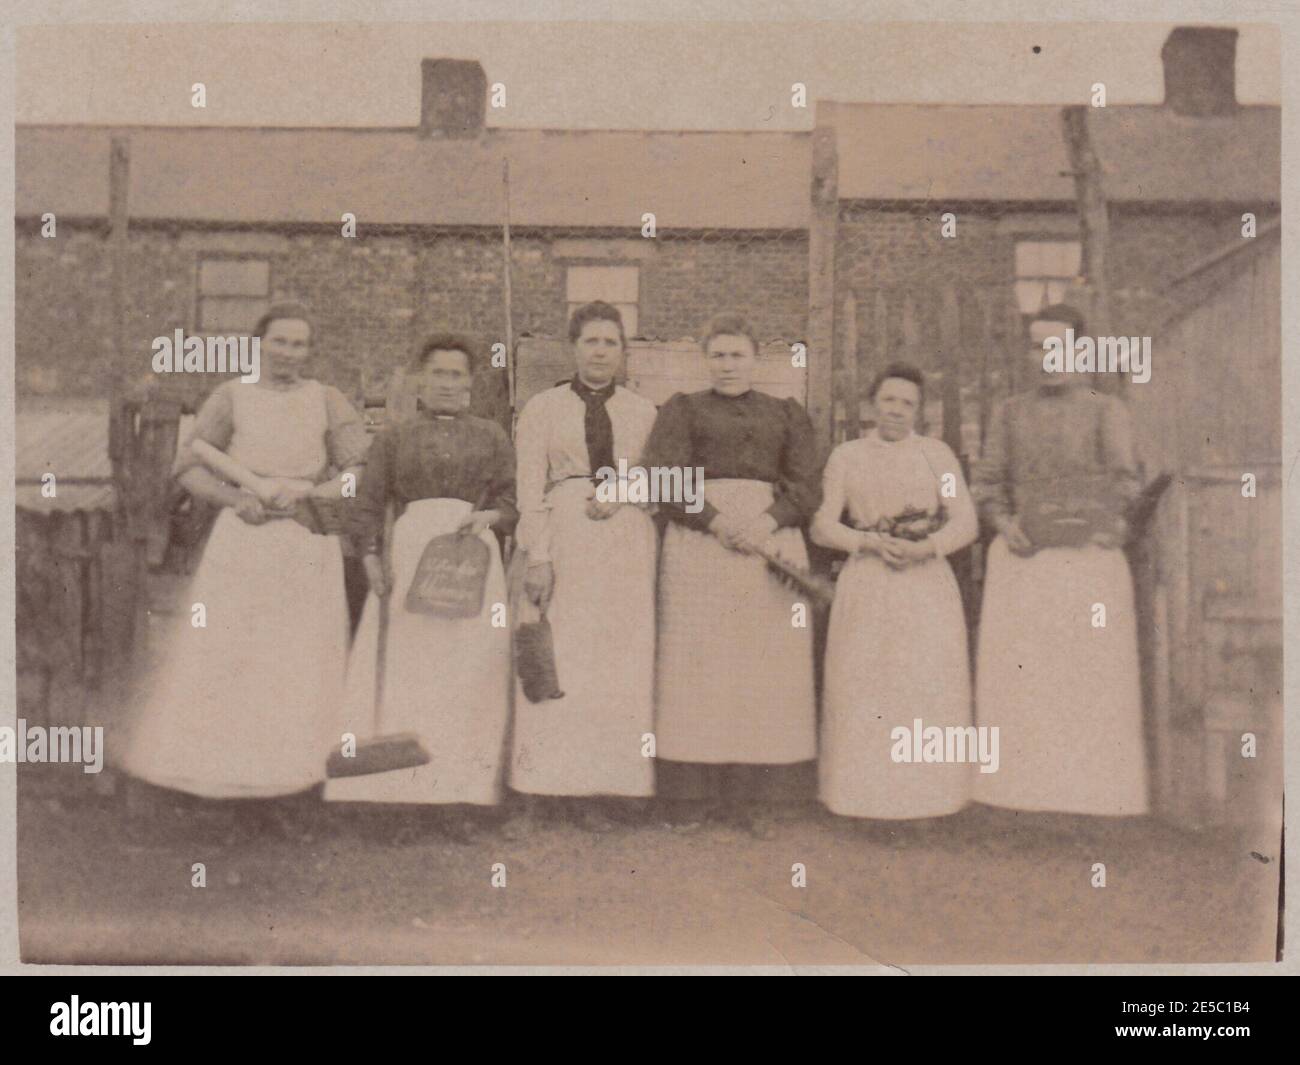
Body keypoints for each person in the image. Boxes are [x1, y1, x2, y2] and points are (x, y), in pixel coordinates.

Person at [121, 302, 367, 838]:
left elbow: (356, 472)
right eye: (279, 342)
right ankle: (220, 785)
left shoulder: (328, 400)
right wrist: (237, 499)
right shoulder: (231, 396)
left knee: (297, 659)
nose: (289, 354)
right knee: (232, 656)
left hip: (305, 539)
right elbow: (187, 468)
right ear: (260, 344)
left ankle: (292, 786)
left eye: (300, 344)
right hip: (245, 539)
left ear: (311, 351)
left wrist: (312, 496)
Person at [324, 335, 516, 843]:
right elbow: (367, 503)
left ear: (470, 383)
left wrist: (490, 516)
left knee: (466, 673)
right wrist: (369, 560)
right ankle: (396, 796)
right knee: (411, 670)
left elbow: (512, 500)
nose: (449, 384)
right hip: (410, 557)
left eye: (458, 375)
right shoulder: (395, 437)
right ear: (421, 381)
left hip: (471, 555)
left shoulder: (492, 436)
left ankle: (460, 794)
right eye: (439, 374)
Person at [641, 313, 822, 839]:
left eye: (736, 355)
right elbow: (663, 475)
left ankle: (754, 797)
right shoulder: (682, 409)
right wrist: (714, 521)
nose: (727, 365)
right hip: (700, 546)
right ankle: (694, 795)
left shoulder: (786, 413)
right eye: (717, 355)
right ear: (706, 359)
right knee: (701, 666)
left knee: (759, 669)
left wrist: (766, 523)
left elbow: (807, 485)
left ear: (755, 358)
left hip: (767, 543)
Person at [972, 304, 1148, 818]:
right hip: (1027, 563)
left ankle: (1093, 803)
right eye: (1037, 346)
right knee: (1029, 684)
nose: (1048, 358)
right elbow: (987, 483)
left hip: (1087, 565)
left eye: (1059, 346)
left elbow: (1126, 483)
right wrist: (1006, 525)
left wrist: (1104, 525)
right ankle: (1023, 801)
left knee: (1086, 682)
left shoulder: (1105, 410)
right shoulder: (1009, 412)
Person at [510, 301, 658, 832]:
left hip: (624, 542)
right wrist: (540, 556)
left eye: (611, 343)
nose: (601, 352)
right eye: (591, 341)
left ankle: (601, 788)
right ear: (574, 348)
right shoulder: (544, 408)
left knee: (613, 663)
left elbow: (659, 479)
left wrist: (623, 491)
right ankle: (542, 788)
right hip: (565, 534)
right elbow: (530, 487)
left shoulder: (643, 412)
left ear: (623, 352)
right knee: (559, 655)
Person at [811, 362, 977, 828]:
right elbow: (823, 524)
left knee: (922, 685)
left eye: (907, 403)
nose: (896, 411)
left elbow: (965, 519)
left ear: (919, 411)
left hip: (925, 587)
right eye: (888, 400)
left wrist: (928, 547)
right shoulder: (848, 456)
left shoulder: (937, 456)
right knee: (865, 685)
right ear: (871, 404)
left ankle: (926, 801)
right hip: (868, 581)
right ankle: (862, 800)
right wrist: (866, 542)